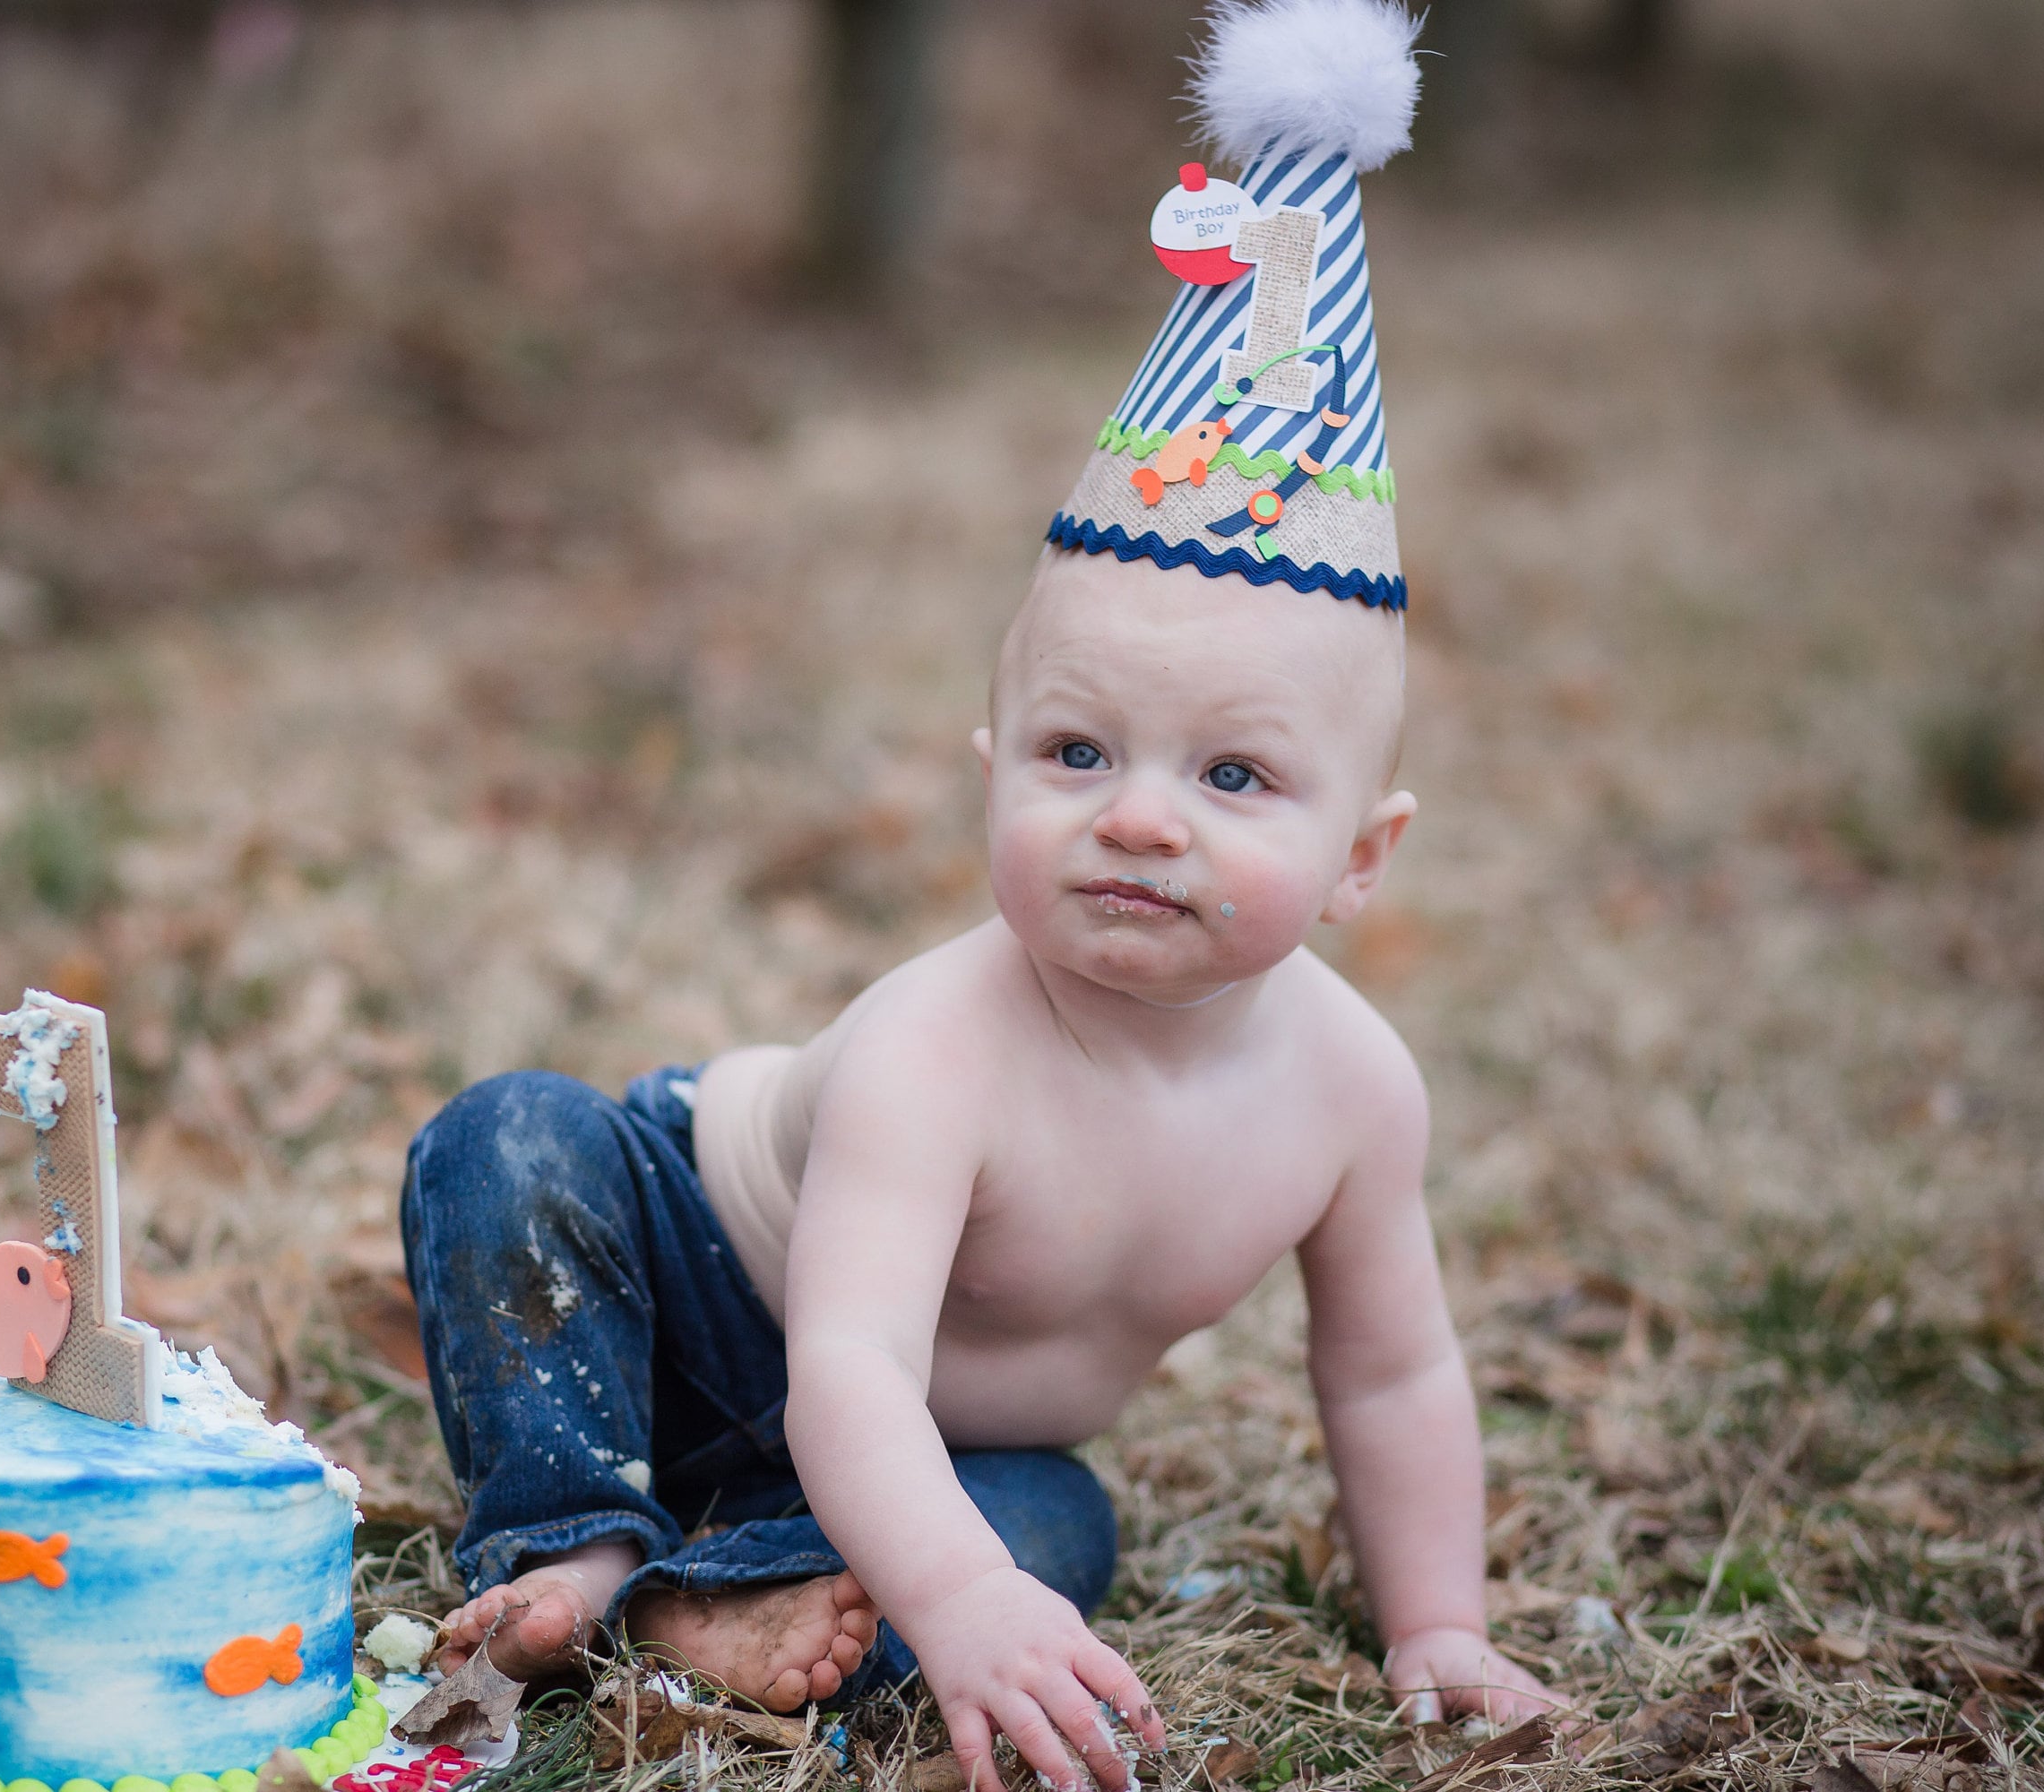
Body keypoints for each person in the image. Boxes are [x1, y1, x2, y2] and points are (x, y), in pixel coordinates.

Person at [400, 4, 1561, 1787]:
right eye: (1078, 753)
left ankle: (720, 1600)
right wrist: (934, 1574)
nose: (1140, 822)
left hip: (918, 1437)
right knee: (508, 1144)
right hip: (712, 1280)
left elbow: (1393, 1374)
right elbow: (848, 1359)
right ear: (992, 757)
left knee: (1047, 1541)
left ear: (1362, 859)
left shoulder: (1351, 1096)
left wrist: (1440, 1622)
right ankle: (573, 1535)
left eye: (1233, 777)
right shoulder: (948, 1042)